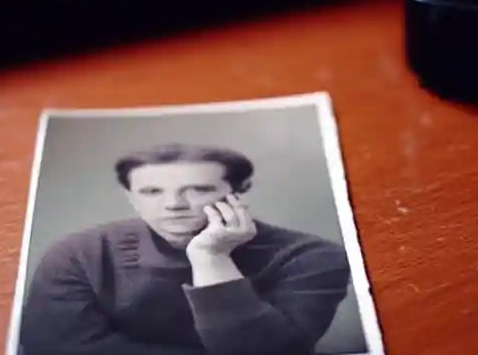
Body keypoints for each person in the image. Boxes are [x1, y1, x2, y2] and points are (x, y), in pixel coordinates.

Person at [18, 143, 353, 355]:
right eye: (152, 192)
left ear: (238, 191)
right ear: (131, 198)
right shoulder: (79, 252)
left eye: (198, 189)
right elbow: (54, 348)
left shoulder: (311, 256)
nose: (173, 205)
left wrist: (211, 258)